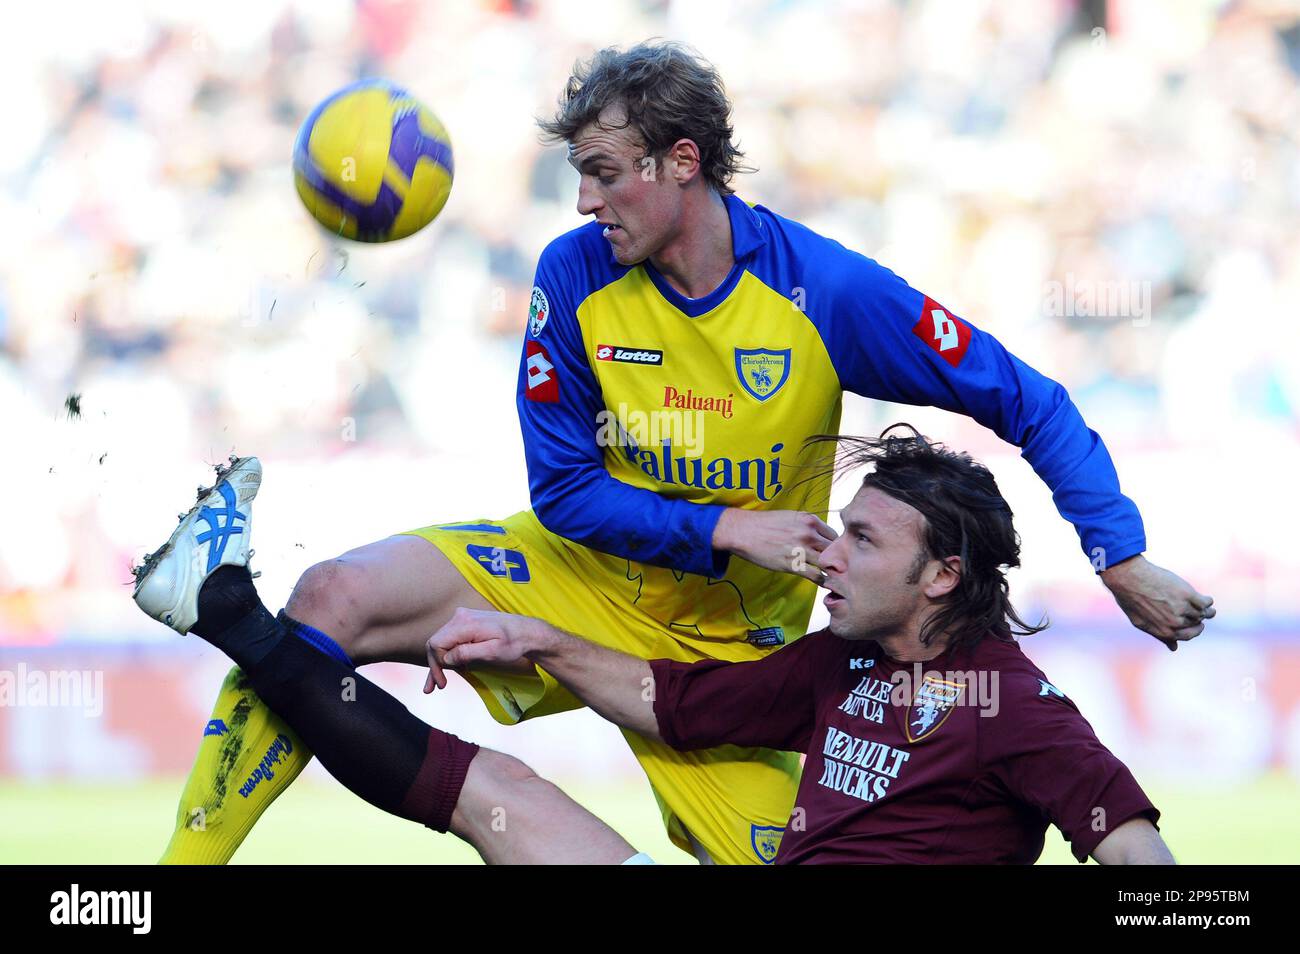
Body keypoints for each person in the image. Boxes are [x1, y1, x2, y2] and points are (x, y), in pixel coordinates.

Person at [142, 40, 1212, 866]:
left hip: (733, 659)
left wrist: (1118, 556)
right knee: (330, 597)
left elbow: (1029, 398)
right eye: (578, 174)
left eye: (605, 172)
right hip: (578, 573)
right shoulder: (572, 276)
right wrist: (723, 525)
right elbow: (560, 488)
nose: (583, 200)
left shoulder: (823, 295)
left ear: (680, 161)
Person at [424, 429, 1175, 864]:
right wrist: (540, 641)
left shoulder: (1010, 704)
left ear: (943, 576)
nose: (829, 554)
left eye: (863, 539)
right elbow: (673, 703)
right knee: (498, 791)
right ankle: (302, 668)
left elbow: (1136, 850)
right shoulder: (842, 657)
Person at [132, 456, 654, 865]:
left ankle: (226, 610)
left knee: (499, 800)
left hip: (728, 660)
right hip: (613, 561)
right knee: (335, 595)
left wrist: (723, 530)